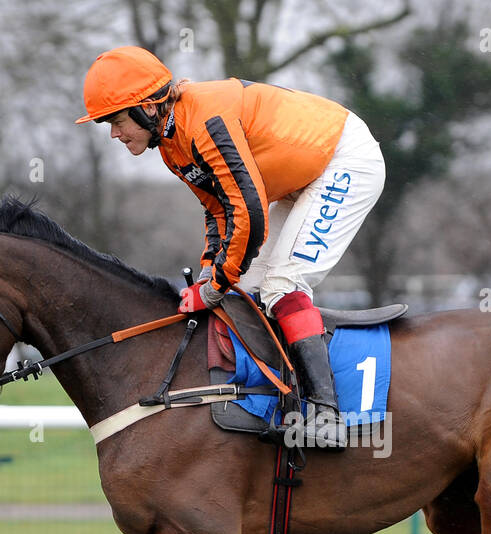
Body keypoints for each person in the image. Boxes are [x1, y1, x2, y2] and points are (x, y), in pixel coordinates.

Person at [77, 46, 386, 448]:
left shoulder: (204, 120)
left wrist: (216, 282)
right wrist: (211, 272)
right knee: (245, 288)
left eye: (117, 121)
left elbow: (249, 213)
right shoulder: (171, 141)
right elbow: (217, 210)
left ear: (149, 108)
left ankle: (326, 413)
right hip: (298, 177)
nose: (115, 134)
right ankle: (280, 395)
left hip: (342, 161)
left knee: (281, 285)